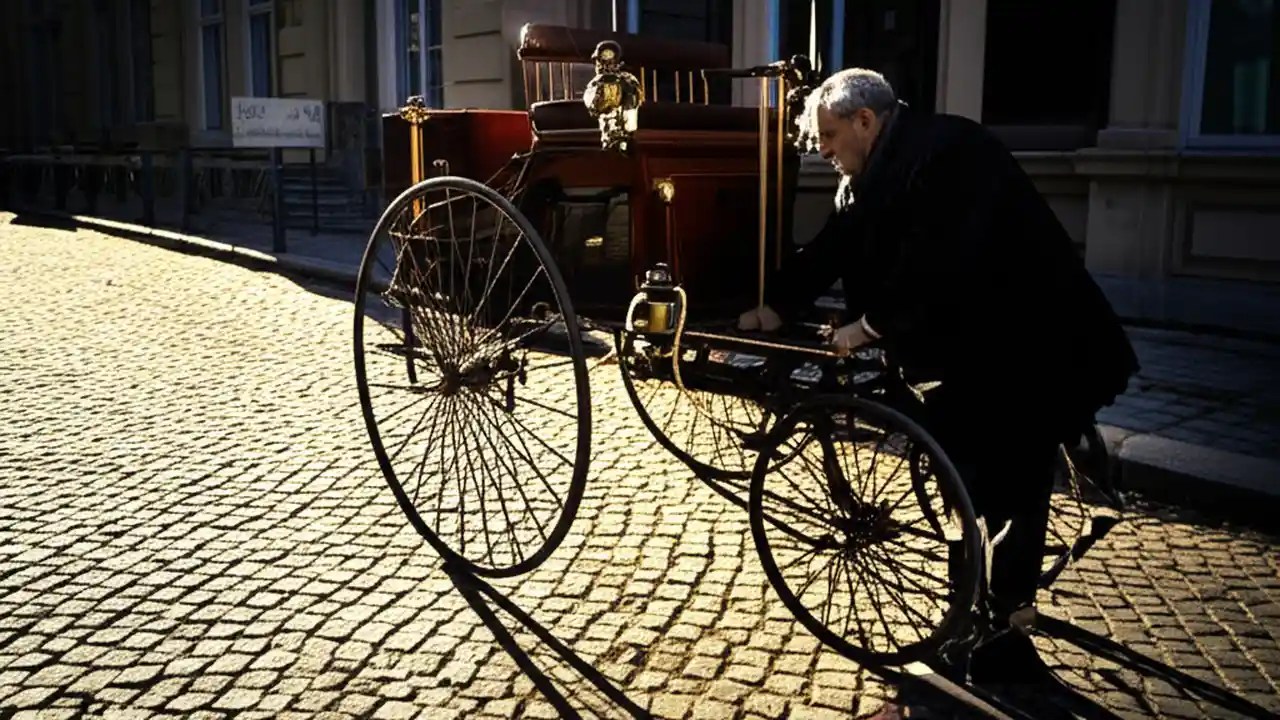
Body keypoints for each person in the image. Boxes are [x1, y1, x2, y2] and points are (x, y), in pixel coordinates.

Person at [739, 68, 1140, 684]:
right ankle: (975, 611)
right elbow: (837, 244)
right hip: (977, 347)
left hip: (1034, 341)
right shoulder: (874, 170)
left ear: (864, 121)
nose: (821, 149)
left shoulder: (951, 152)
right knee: (971, 478)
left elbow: (944, 261)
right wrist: (776, 305)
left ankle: (1006, 632)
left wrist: (869, 327)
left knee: (1011, 484)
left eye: (827, 134)